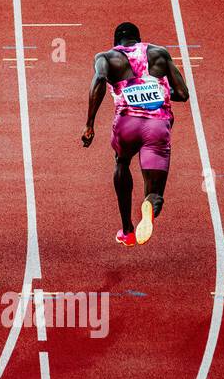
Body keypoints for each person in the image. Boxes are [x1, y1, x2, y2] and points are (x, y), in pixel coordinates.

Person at [81, 23, 189, 246]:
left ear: (116, 42)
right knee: (156, 194)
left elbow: (99, 80)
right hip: (157, 126)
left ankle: (127, 229)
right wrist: (158, 93)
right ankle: (149, 203)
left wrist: (90, 124)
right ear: (139, 39)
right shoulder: (159, 53)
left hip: (126, 125)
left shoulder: (106, 57)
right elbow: (182, 93)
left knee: (121, 162)